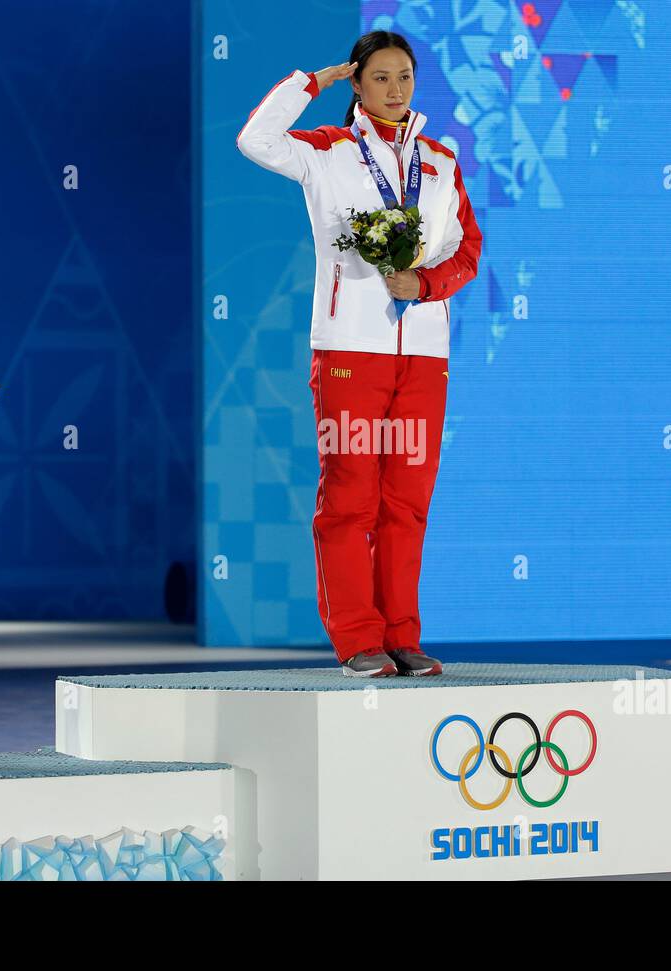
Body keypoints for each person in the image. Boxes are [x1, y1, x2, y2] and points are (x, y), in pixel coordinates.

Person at [237, 31, 482, 677]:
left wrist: (424, 285)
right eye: (379, 77)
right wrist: (309, 81)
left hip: (423, 356)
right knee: (350, 498)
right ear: (357, 83)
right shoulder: (327, 151)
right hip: (349, 351)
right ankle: (356, 638)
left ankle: (402, 633)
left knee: (406, 501)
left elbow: (466, 251)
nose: (395, 88)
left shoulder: (439, 161)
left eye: (404, 76)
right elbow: (255, 139)